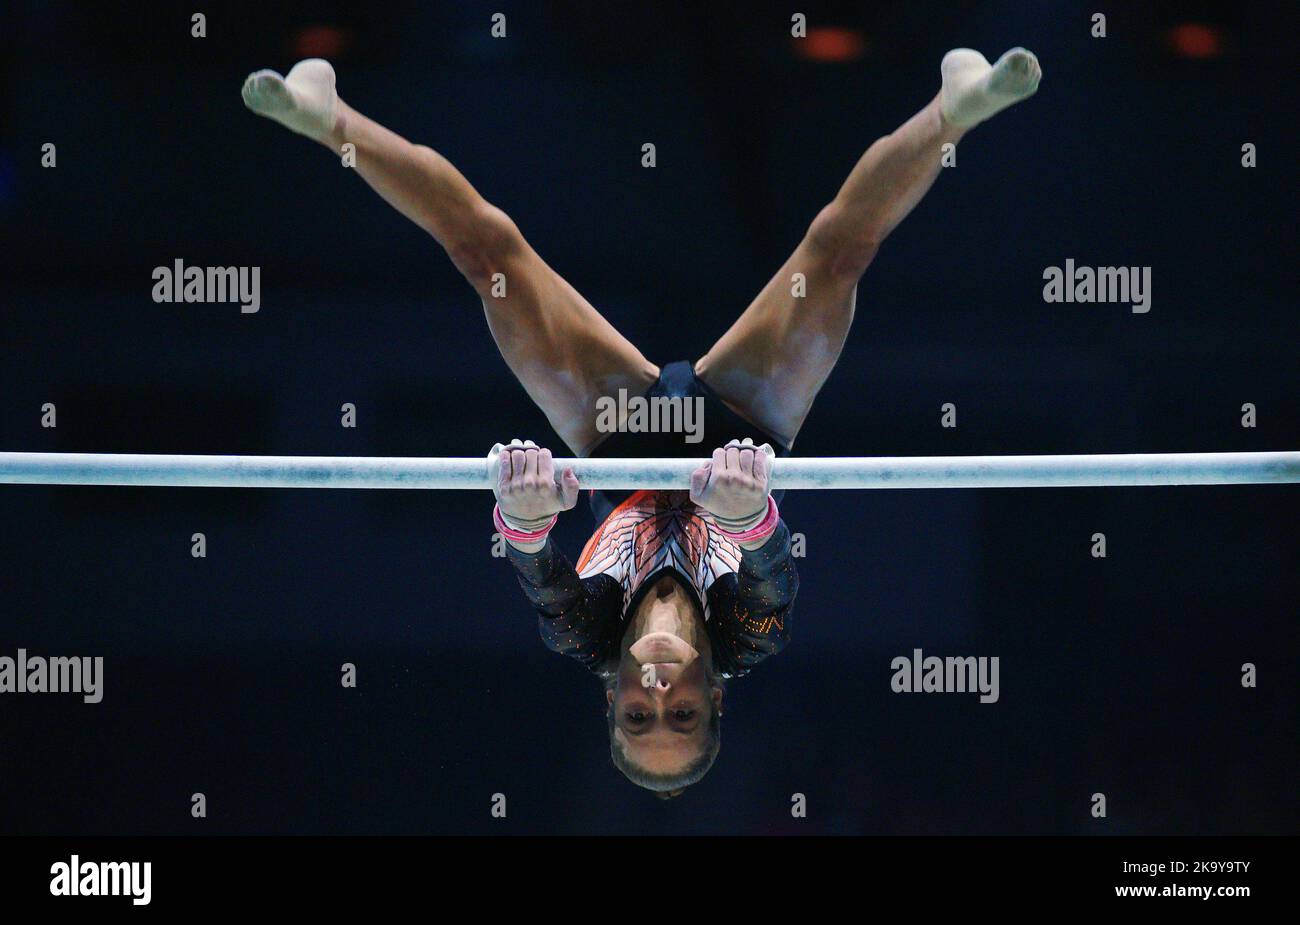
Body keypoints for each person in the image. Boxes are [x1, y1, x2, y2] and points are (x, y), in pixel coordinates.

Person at [242, 45, 1041, 795]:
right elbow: (774, 572)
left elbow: (539, 572)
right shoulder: (749, 634)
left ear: (610, 703)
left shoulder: (583, 634)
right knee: (836, 249)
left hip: (615, 443)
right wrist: (752, 517)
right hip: (742, 430)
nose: (658, 692)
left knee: (488, 252)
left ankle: (330, 117)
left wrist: (524, 515)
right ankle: (953, 109)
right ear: (716, 701)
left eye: (637, 715)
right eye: (682, 715)